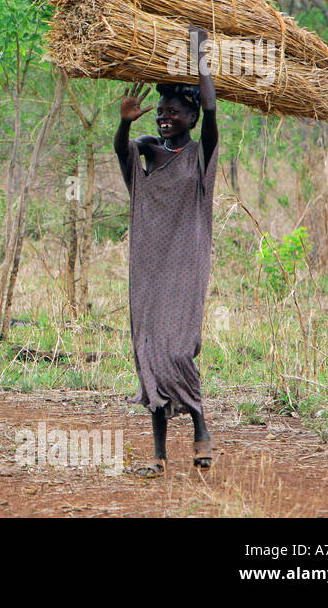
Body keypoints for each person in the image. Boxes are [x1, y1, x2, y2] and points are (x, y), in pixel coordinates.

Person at [114, 26, 219, 475]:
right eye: (160, 112)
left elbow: (212, 108)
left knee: (178, 350)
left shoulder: (200, 155)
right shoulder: (144, 160)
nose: (164, 117)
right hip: (147, 270)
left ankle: (200, 425)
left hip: (186, 263)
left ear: (191, 119)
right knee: (149, 353)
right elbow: (122, 148)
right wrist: (125, 122)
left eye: (174, 112)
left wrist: (200, 59)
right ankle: (158, 455)